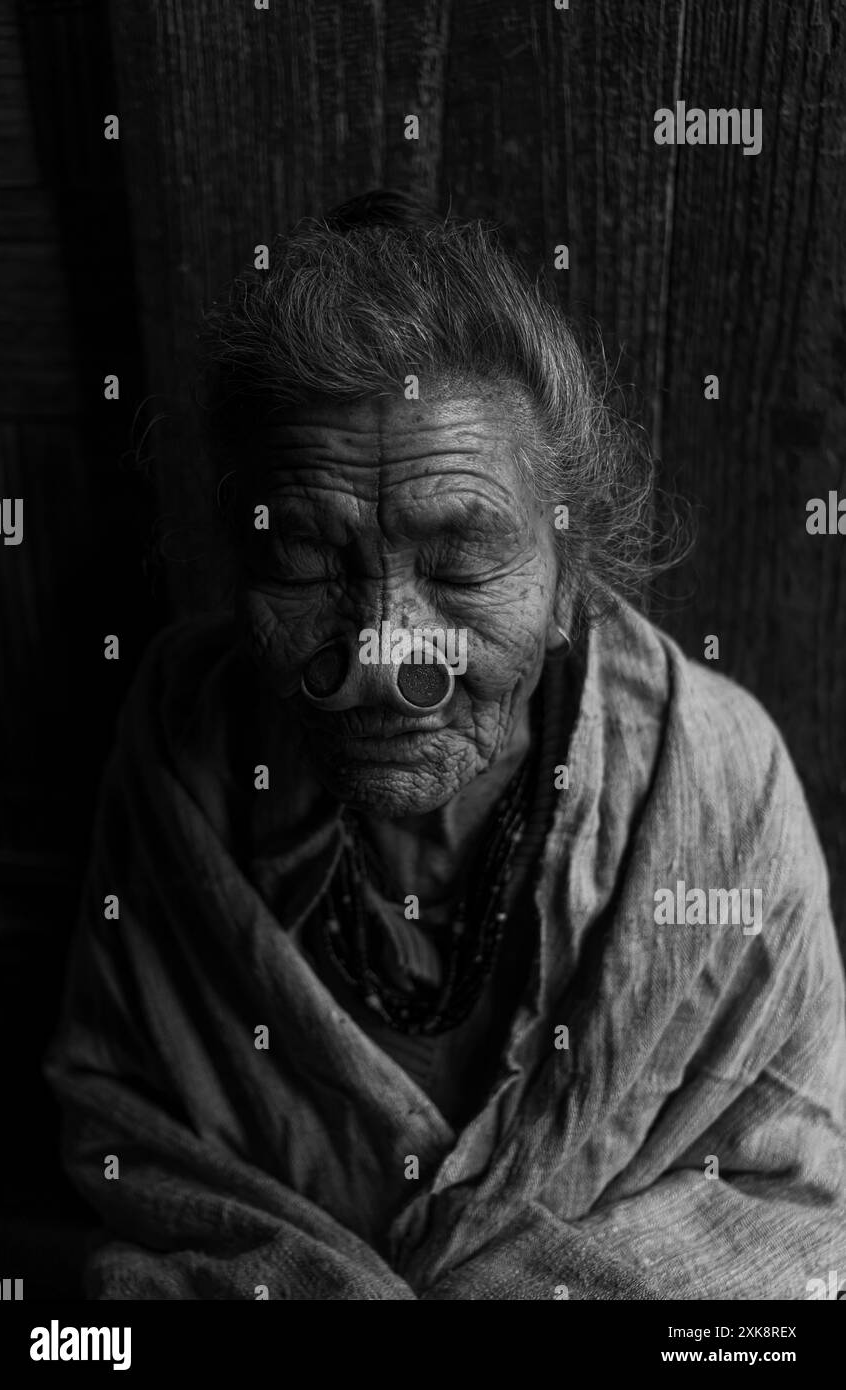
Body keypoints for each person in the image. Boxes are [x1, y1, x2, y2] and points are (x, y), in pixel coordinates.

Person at [46, 190, 846, 1300]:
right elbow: (130, 1131)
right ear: (235, 571)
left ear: (570, 583)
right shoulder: (184, 735)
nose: (382, 651)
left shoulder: (715, 785)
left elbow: (783, 1208)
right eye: (309, 561)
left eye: (462, 563)